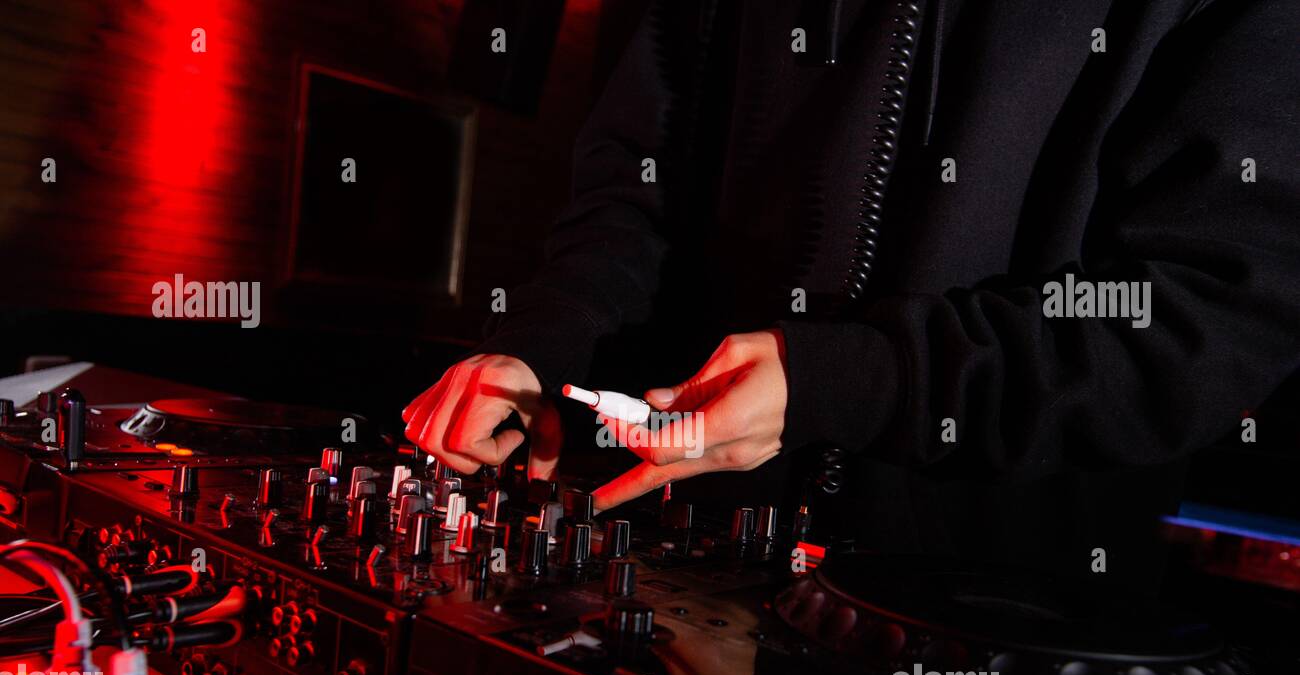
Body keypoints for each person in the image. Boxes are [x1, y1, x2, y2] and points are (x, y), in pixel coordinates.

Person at [403, 0, 1300, 594]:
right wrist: (545, 346)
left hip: (998, 633)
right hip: (679, 581)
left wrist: (847, 381)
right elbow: (639, 183)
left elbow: (1206, 316)